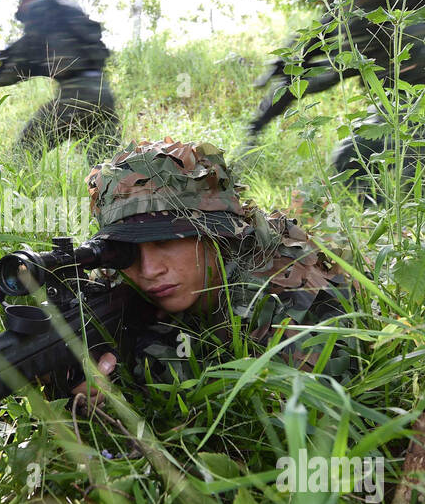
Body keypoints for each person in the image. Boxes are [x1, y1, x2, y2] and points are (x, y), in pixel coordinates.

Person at [71, 138, 356, 407]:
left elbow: (303, 410)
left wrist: (132, 388)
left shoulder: (290, 287)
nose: (149, 270)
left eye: (165, 241)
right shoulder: (120, 283)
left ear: (216, 235)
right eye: (128, 250)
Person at [246, 0, 425, 202]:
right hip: (403, 93)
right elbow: (314, 41)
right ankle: (386, 220)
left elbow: (341, 63)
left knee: (412, 183)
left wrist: (278, 99)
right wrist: (282, 73)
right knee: (353, 163)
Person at [0, 0, 120, 162]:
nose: (22, 7)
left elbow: (20, 63)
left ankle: (16, 191)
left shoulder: (40, 10)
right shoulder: (67, 13)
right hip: (103, 94)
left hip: (75, 96)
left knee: (22, 154)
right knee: (108, 170)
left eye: (22, 1)